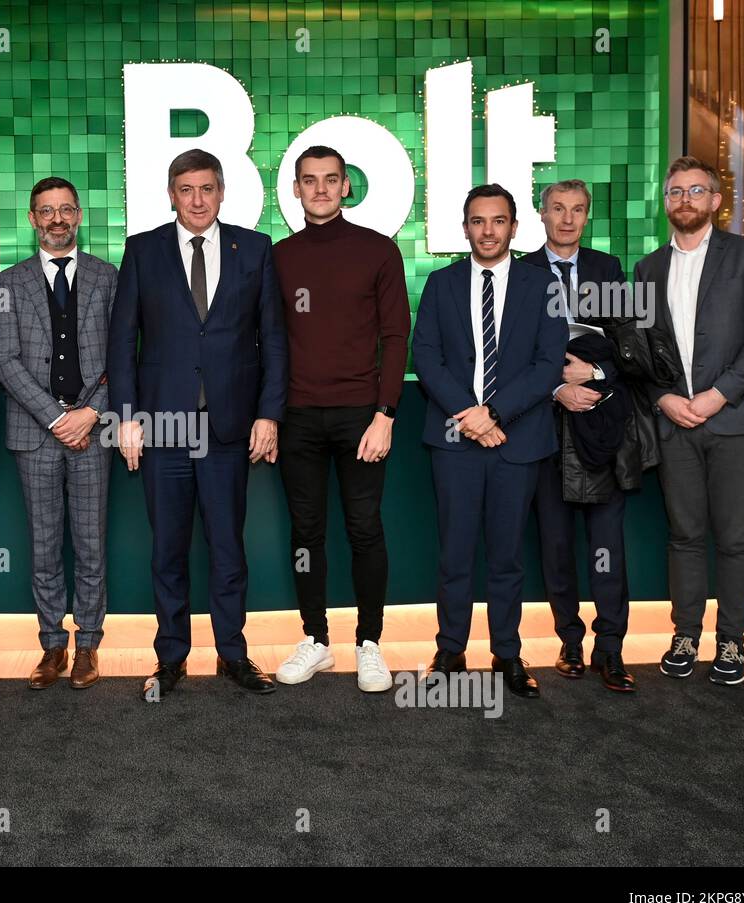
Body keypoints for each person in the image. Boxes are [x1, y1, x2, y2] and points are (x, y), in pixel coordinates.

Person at [107, 148, 288, 698]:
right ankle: (170, 659)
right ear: (171, 195)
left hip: (229, 427)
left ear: (222, 191)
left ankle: (233, 655)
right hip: (163, 428)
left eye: (207, 188)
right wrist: (126, 417)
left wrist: (269, 413)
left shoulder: (254, 249)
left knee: (228, 549)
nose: (197, 199)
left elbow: (275, 340)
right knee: (168, 550)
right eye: (186, 190)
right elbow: (122, 341)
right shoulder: (142, 251)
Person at [410, 183, 566, 699]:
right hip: (456, 439)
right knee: (454, 553)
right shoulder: (441, 284)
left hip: (517, 439)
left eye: (498, 221)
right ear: (465, 229)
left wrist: (494, 413)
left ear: (514, 227)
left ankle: (507, 653)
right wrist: (470, 416)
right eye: (478, 221)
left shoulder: (541, 285)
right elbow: (426, 358)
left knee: (506, 557)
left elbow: (548, 365)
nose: (488, 231)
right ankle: (451, 648)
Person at [635, 155, 744, 685]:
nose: (685, 201)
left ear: (716, 202)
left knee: (736, 537)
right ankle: (685, 633)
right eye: (675, 192)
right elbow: (639, 353)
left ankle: (732, 642)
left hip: (736, 423)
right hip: (676, 425)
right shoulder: (648, 269)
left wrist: (719, 395)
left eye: (696, 191)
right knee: (684, 535)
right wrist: (662, 397)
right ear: (666, 201)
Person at [271, 146, 409, 693]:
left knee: (364, 529)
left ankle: (369, 642)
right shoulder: (278, 257)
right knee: (306, 533)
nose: (321, 189)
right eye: (310, 181)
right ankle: (317, 640)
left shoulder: (378, 250)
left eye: (331, 180)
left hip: (361, 416)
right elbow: (269, 341)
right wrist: (269, 415)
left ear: (347, 186)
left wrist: (386, 413)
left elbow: (396, 336)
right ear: (298, 190)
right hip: (296, 416)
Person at [0, 177, 116, 689]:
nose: (57, 219)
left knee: (90, 545)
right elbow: (5, 359)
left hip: (93, 430)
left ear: (79, 215)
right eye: (47, 211)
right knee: (44, 547)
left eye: (66, 210)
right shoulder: (8, 282)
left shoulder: (107, 277)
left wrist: (90, 413)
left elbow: (123, 355)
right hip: (36, 433)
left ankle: (88, 645)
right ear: (33, 218)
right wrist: (56, 417)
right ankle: (51, 647)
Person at [521, 179, 638, 692]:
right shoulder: (519, 273)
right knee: (556, 544)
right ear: (541, 214)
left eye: (578, 210)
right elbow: (507, 356)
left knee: (607, 546)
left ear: (587, 216)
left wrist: (592, 378)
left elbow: (631, 349)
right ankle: (569, 640)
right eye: (558, 209)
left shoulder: (606, 271)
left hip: (601, 427)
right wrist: (555, 388)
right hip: (544, 429)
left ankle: (610, 649)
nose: (567, 219)